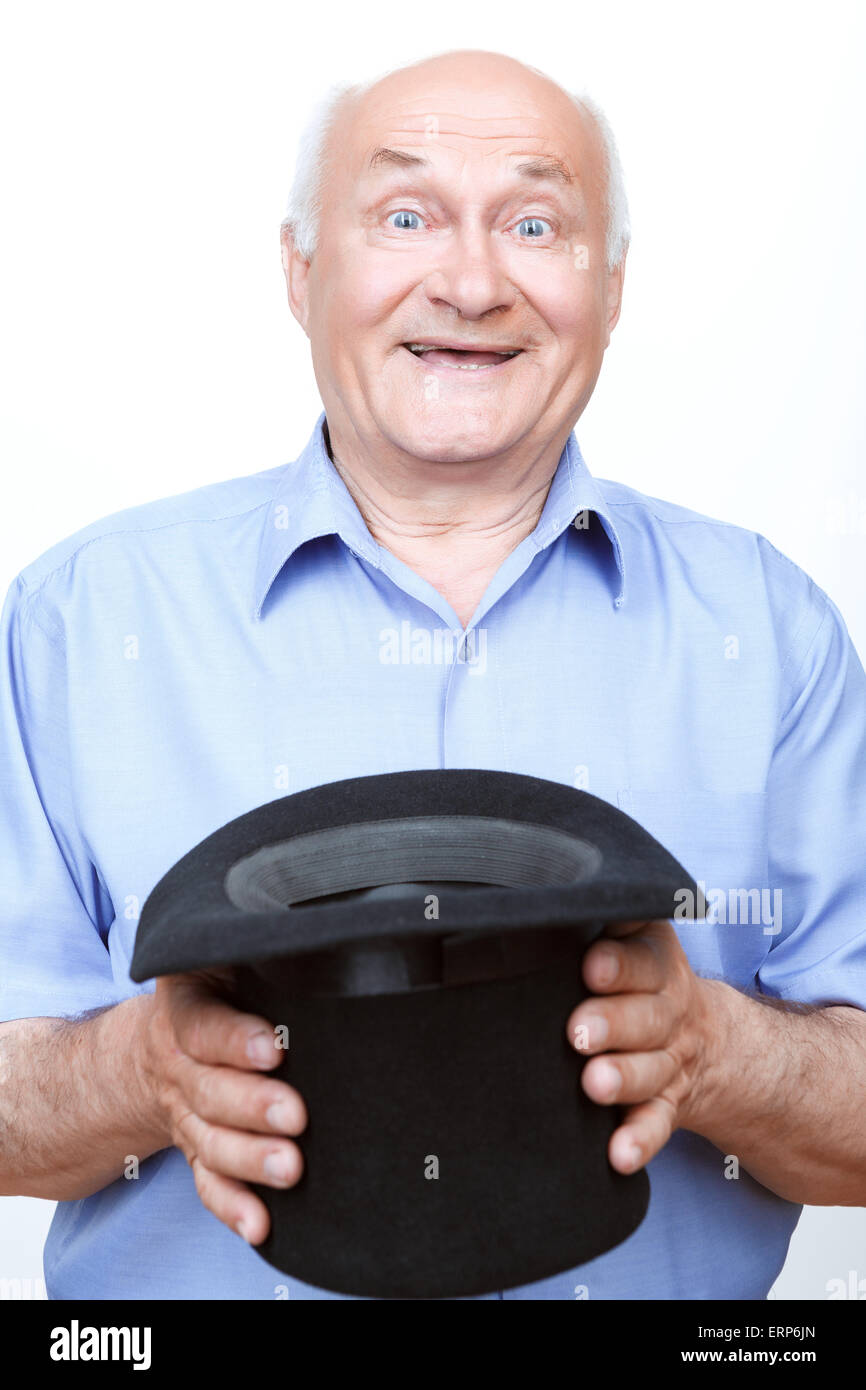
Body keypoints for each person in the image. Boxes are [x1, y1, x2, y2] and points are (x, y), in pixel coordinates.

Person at [1, 48, 865, 1301]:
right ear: (301, 272)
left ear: (610, 286)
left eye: (533, 221)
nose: (469, 281)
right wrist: (141, 1074)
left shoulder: (770, 628)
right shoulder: (79, 620)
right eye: (404, 215)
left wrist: (715, 1051)